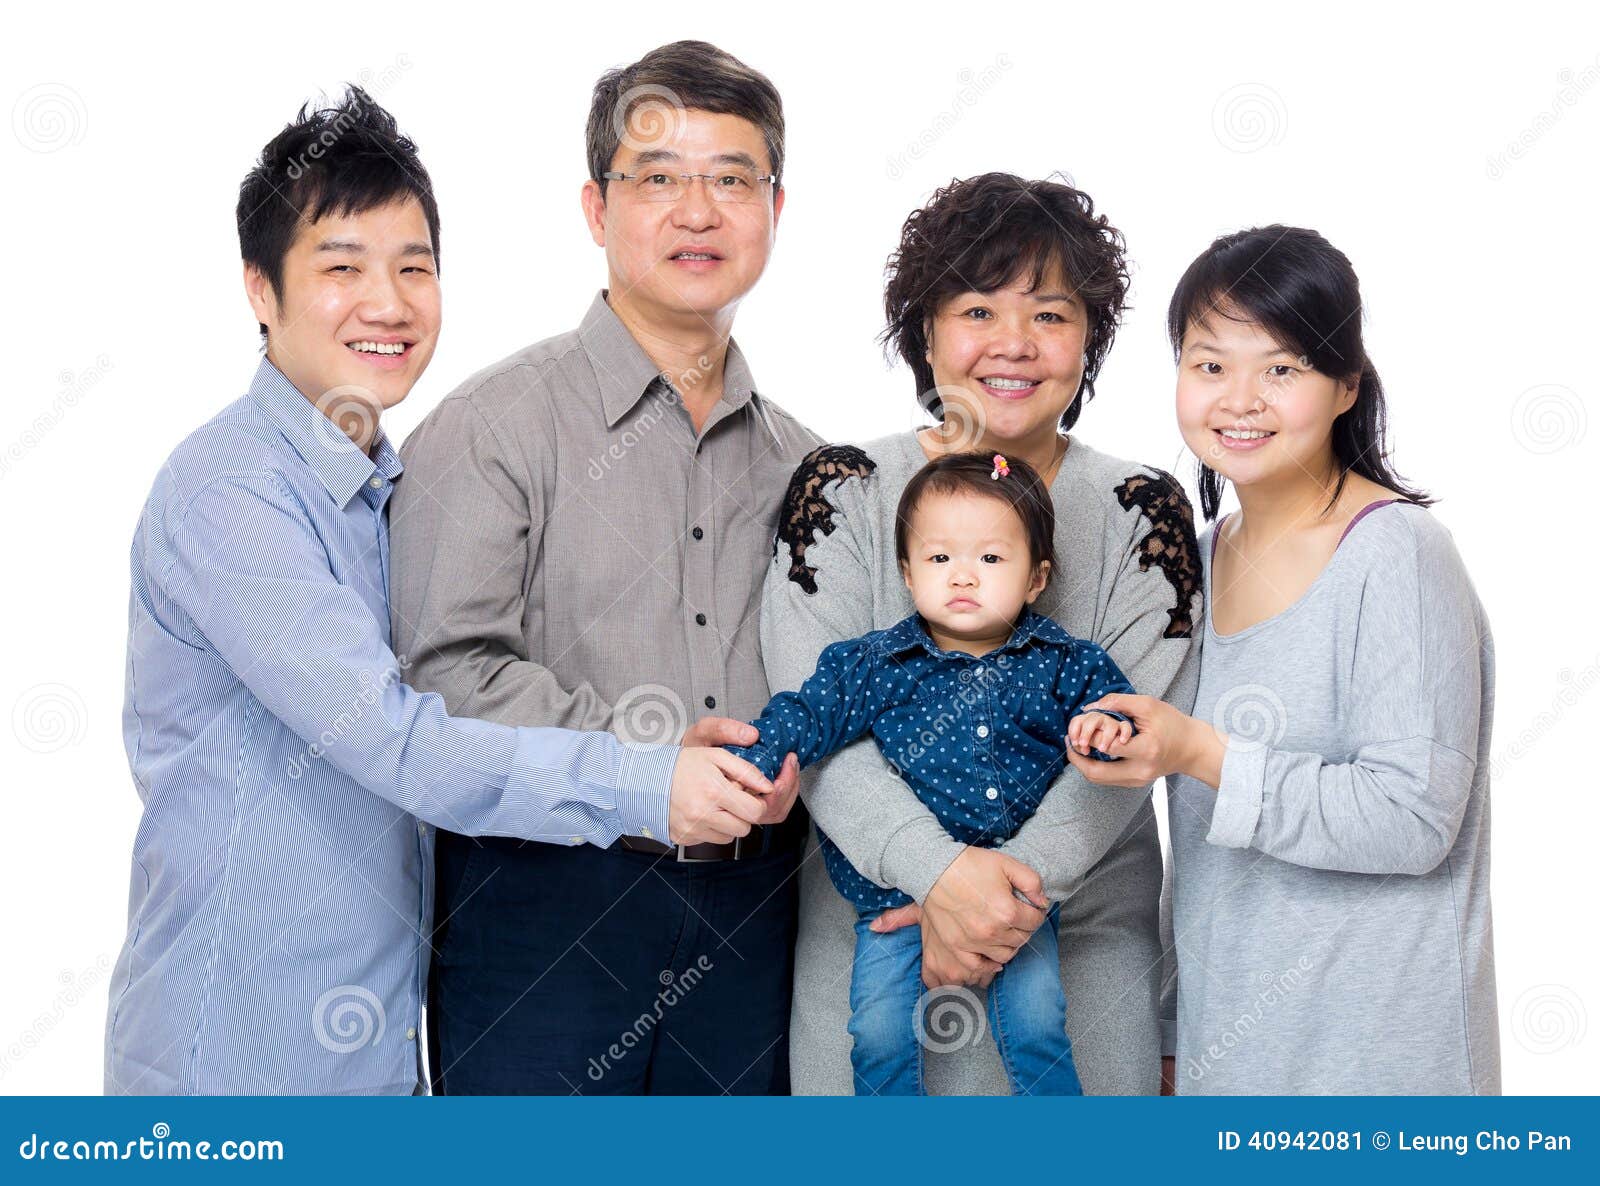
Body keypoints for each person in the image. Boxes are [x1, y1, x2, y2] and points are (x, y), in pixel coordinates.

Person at [105, 86, 780, 1096]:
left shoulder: (376, 487)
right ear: (259, 288)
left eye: (413, 267)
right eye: (341, 268)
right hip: (236, 1058)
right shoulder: (231, 489)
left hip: (379, 1057)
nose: (388, 303)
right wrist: (645, 779)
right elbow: (397, 737)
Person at [389, 41, 819, 1095]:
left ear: (776, 205)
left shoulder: (810, 465)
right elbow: (441, 678)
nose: (697, 210)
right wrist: (652, 754)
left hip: (761, 919)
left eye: (731, 178)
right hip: (543, 910)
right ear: (596, 207)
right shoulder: (492, 427)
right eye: (657, 177)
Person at [767, 173, 1203, 1095]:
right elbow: (819, 723)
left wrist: (984, 904)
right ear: (924, 332)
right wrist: (934, 877)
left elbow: (1128, 748)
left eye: (1051, 314)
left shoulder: (1141, 515)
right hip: (871, 950)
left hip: (1081, 966)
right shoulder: (840, 489)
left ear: (1090, 340)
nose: (1013, 345)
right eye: (976, 309)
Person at [1068, 225, 1499, 1094]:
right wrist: (1170, 1029)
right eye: (1209, 363)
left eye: (1282, 368)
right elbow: (1197, 857)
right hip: (1232, 1065)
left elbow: (1412, 818)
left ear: (1346, 386)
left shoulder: (1397, 554)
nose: (1240, 399)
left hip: (1378, 1067)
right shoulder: (1195, 558)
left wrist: (1199, 751)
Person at [728, 451, 1136, 1095]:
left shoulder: (1065, 664)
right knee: (878, 1034)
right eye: (941, 559)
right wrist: (758, 755)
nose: (963, 577)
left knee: (1036, 1025)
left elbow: (1123, 719)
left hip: (1012, 896)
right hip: (895, 899)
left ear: (1037, 578)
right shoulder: (875, 663)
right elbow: (810, 713)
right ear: (908, 574)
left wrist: (1112, 730)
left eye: (992, 559)